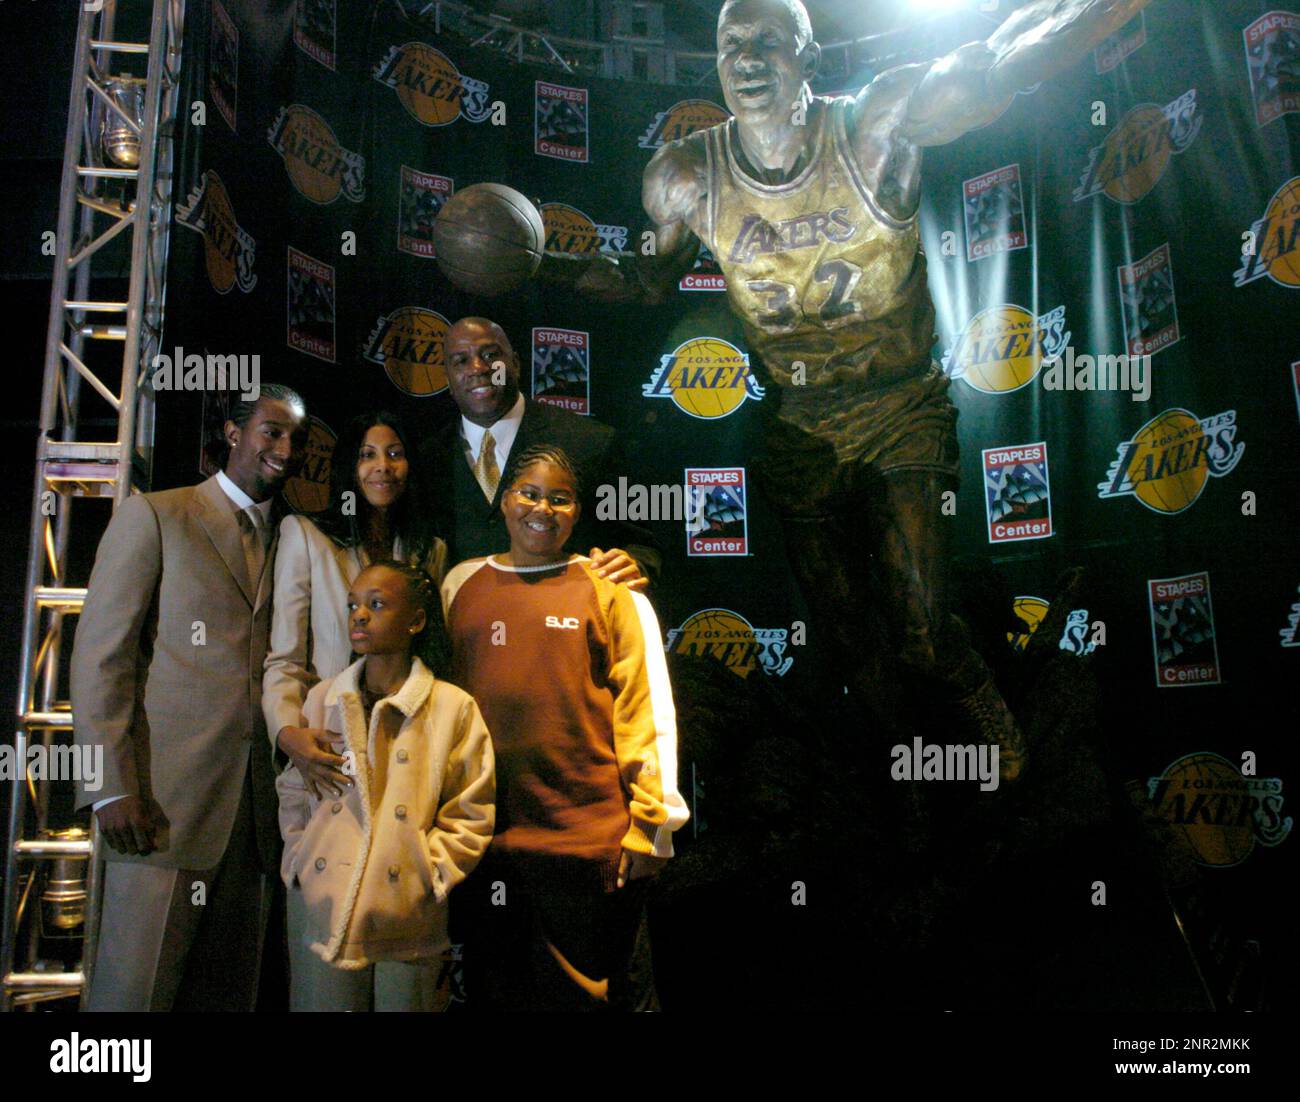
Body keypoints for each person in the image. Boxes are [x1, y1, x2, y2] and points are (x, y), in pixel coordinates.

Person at [553, 0, 1154, 779]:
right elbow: (644, 283)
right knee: (846, 639)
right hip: (800, 423)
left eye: (769, 42)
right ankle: (903, 778)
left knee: (922, 626)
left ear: (810, 56)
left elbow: (999, 62)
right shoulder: (685, 177)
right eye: (731, 45)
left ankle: (977, 693)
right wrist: (545, 257)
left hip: (899, 403)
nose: (748, 59)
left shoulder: (876, 125)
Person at [71, 385, 309, 1011]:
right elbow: (101, 659)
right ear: (233, 434)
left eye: (296, 437)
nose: (286, 448)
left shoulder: (292, 540)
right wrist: (110, 787)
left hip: (256, 824)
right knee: (131, 1004)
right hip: (157, 812)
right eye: (272, 430)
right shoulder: (155, 515)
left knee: (227, 998)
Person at [442, 444, 688, 1010]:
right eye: (529, 493)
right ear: (505, 501)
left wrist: (654, 823)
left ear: (577, 512)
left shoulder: (612, 592)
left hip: (586, 845)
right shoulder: (461, 586)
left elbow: (646, 711)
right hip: (484, 847)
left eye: (560, 499)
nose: (542, 509)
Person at [263, 410, 450, 1004]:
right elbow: (285, 661)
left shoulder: (429, 549)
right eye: (368, 455)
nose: (382, 467)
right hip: (325, 760)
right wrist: (289, 737)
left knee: (405, 977)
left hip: (405, 766)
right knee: (326, 982)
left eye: (394, 453)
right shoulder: (306, 536)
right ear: (348, 468)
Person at [276, 561, 494, 1012]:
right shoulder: (324, 698)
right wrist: (299, 856)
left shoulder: (452, 707)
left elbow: (471, 807)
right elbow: (293, 790)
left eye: (377, 605)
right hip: (322, 904)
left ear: (416, 620)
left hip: (406, 914)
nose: (359, 615)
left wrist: (430, 874)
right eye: (354, 604)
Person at [419, 315, 660, 590]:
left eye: (490, 355)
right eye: (460, 361)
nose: (478, 368)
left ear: (516, 364)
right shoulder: (428, 459)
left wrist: (632, 564)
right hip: (465, 627)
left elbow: (643, 545)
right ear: (448, 379)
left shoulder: (591, 441)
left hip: (567, 622)